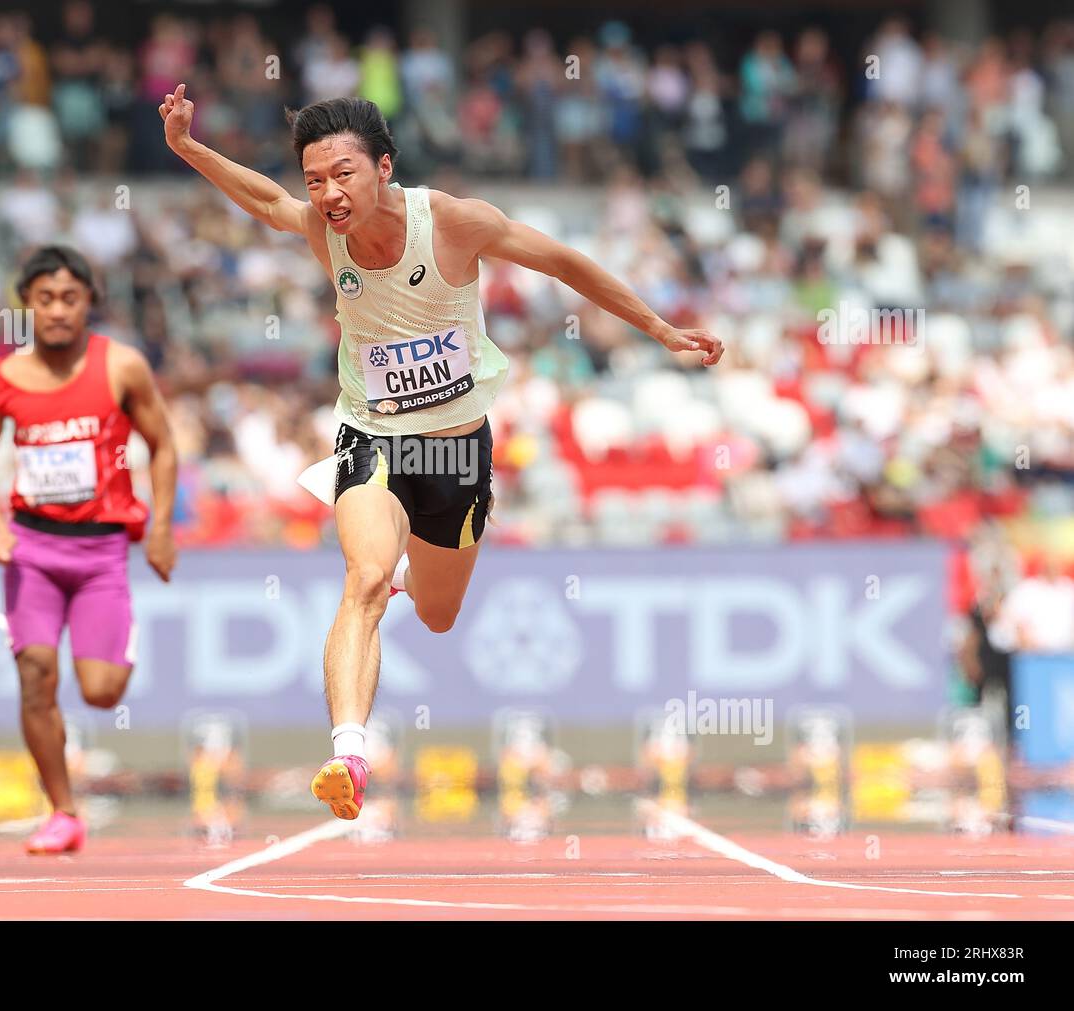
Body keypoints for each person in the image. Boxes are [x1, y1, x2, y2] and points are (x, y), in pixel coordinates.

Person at [160, 86, 723, 820]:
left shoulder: (453, 222)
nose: (328, 194)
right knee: (363, 579)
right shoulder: (321, 230)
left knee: (436, 612)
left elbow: (563, 262)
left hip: (456, 455)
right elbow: (266, 200)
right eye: (315, 180)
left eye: (343, 174)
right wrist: (187, 146)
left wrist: (661, 329)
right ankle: (349, 754)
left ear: (383, 167)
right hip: (373, 438)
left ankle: (408, 574)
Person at [0, 245, 177, 852]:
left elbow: (163, 445)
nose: (57, 310)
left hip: (101, 551)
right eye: (45, 299)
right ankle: (63, 812)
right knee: (36, 674)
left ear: (88, 302)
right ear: (26, 305)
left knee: (101, 691)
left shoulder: (122, 367)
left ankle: (118, 632)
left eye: (69, 298)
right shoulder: (1, 379)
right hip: (31, 547)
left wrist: (161, 527)